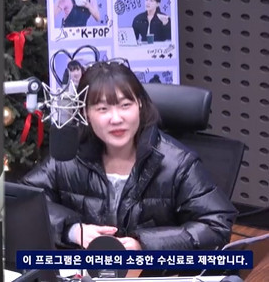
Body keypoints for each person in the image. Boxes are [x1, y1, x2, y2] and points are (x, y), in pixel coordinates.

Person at [21, 61, 236, 251]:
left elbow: (216, 224)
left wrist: (145, 245)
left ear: (140, 104)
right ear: (85, 112)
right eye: (103, 109)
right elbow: (24, 202)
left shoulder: (178, 163)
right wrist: (73, 230)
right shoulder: (69, 156)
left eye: (125, 105)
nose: (116, 119)